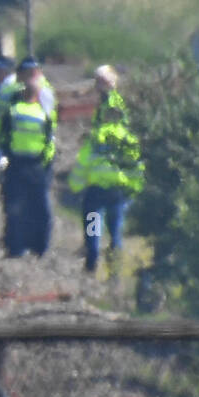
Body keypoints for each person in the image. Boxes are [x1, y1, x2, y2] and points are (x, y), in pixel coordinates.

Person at [70, 107, 143, 274]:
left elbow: (83, 162)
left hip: (96, 192)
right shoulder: (129, 139)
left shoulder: (96, 137)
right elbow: (136, 168)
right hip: (118, 192)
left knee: (93, 228)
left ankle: (91, 263)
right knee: (116, 230)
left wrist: (76, 186)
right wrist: (134, 190)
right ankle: (115, 269)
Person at [0, 62, 56, 258]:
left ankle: (16, 247)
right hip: (36, 166)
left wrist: (5, 157)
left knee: (15, 207)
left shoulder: (13, 111)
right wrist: (46, 163)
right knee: (40, 208)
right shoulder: (43, 115)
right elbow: (50, 143)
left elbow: (3, 136)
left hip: (16, 164)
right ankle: (41, 246)